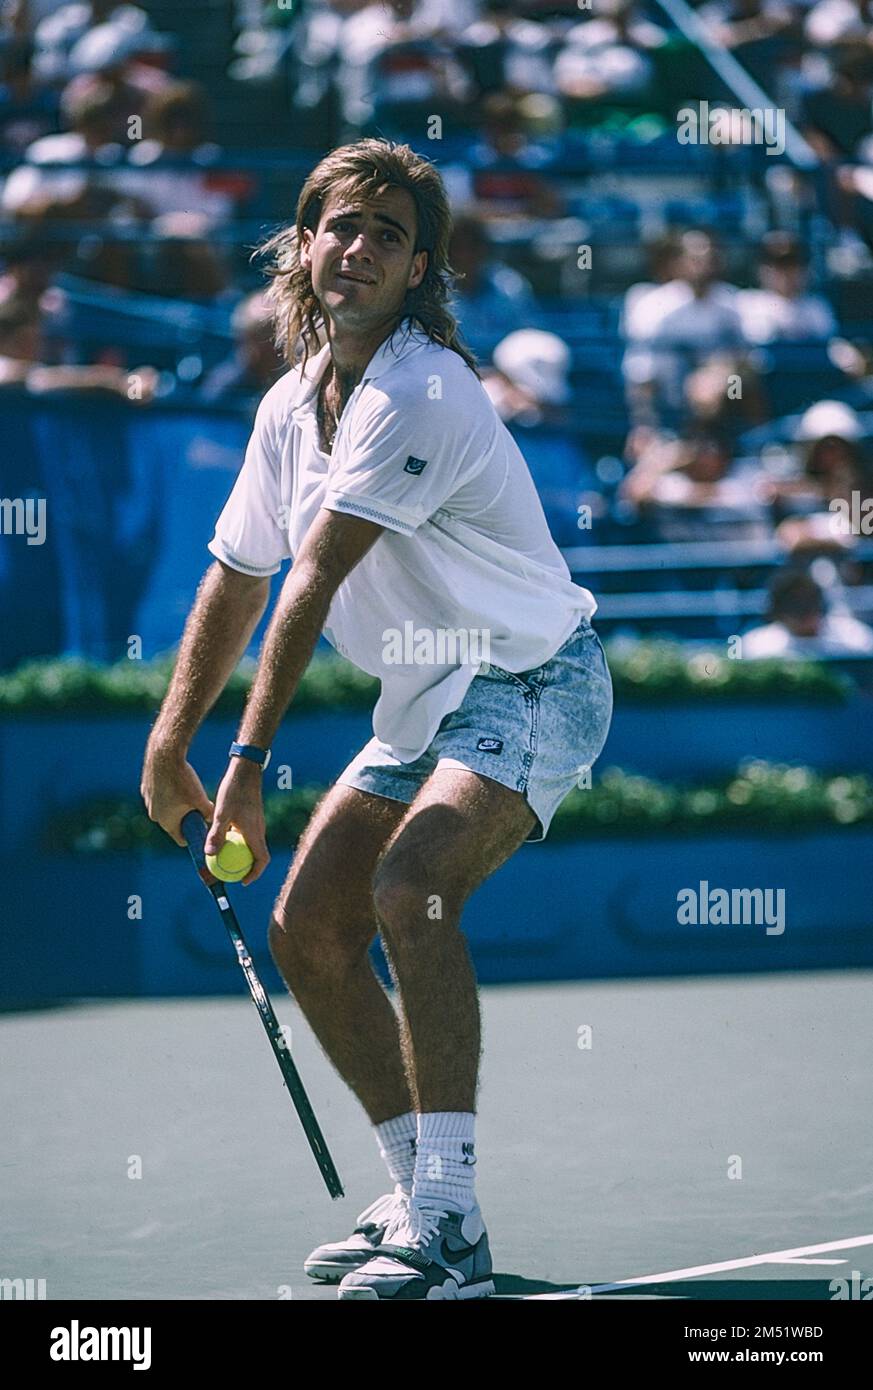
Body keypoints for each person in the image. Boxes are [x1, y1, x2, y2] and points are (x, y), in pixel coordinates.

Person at [140, 138, 613, 1302]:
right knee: (308, 927)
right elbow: (238, 575)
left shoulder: (426, 389)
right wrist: (167, 742)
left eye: (387, 236)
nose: (356, 248)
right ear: (305, 244)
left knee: (412, 890)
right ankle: (423, 1193)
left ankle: (448, 1221)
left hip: (536, 682)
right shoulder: (288, 407)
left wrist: (243, 763)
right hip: (429, 705)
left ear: (418, 273)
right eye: (339, 225)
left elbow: (310, 574)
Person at [742, 568, 873, 657]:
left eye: (809, 601)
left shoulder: (852, 637)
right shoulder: (758, 646)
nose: (804, 610)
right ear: (779, 612)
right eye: (795, 604)